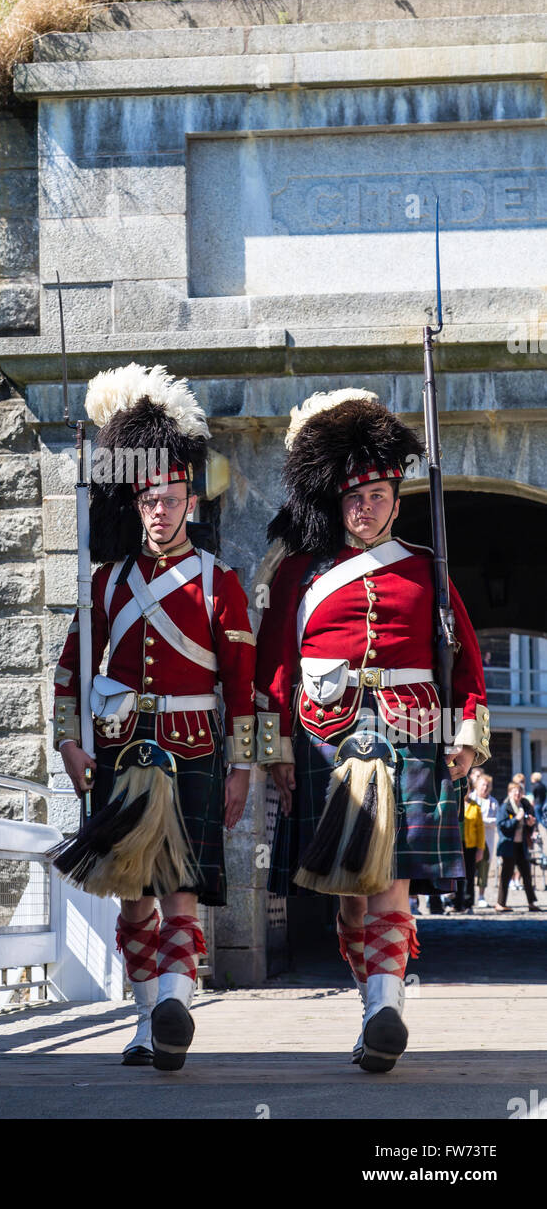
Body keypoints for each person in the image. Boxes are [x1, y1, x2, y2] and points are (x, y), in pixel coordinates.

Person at [255, 389, 491, 1073]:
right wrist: (274, 754)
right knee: (354, 896)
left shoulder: (427, 569)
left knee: (391, 884)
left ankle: (387, 1009)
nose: (367, 508)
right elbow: (275, 667)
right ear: (338, 501)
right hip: (326, 737)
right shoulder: (300, 573)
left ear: (397, 496)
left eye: (380, 495)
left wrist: (466, 732)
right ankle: (372, 1003)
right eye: (355, 497)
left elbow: (467, 661)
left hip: (410, 732)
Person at [52, 363, 263, 1070]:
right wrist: (67, 744)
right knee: (133, 899)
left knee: (179, 892)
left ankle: (175, 1002)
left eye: (171, 501)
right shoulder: (106, 582)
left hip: (193, 750)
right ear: (137, 505)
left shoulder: (220, 584)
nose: (160, 513)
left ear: (189, 503)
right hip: (118, 751)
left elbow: (244, 688)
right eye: (150, 502)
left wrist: (242, 769)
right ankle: (147, 1018)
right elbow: (71, 670)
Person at [495, 781, 540, 912]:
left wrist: (530, 824)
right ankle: (500, 904)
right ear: (509, 793)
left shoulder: (525, 805)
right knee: (506, 874)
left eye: (520, 791)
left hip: (522, 845)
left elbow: (529, 822)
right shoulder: (505, 807)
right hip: (509, 845)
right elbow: (502, 825)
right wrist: (516, 819)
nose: (518, 793)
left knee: (526, 874)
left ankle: (532, 903)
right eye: (515, 791)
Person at [454, 788, 485, 913]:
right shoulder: (453, 803)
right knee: (456, 875)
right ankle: (456, 903)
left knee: (470, 875)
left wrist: (480, 849)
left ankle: (468, 904)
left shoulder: (475, 807)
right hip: (455, 845)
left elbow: (480, 830)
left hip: (470, 845)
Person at [472, 773, 498, 907]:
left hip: (487, 839)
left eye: (487, 785)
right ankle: (467, 896)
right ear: (477, 786)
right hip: (471, 838)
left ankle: (481, 896)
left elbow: (496, 821)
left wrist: (481, 820)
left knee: (484, 867)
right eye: (483, 785)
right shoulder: (470, 799)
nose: (485, 787)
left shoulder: (493, 802)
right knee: (469, 868)